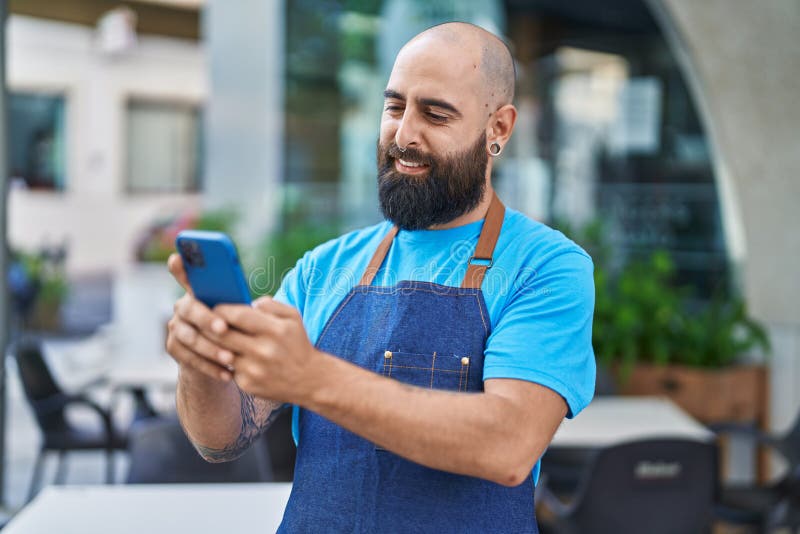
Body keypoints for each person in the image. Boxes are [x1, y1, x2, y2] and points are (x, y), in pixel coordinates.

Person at [165, 22, 595, 533]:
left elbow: (508, 445)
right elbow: (222, 438)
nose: (404, 134)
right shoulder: (324, 267)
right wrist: (201, 366)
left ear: (497, 129)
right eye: (394, 107)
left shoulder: (545, 267)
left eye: (436, 114)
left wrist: (313, 376)